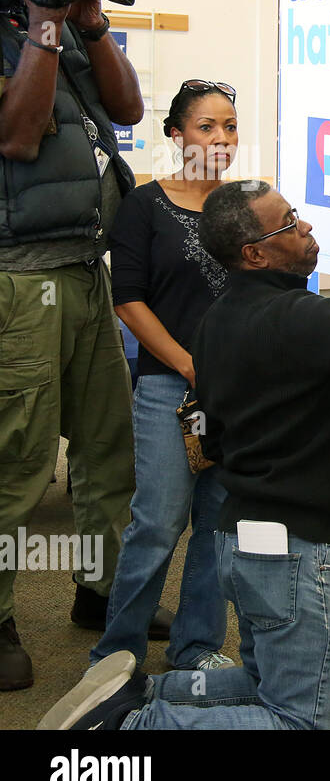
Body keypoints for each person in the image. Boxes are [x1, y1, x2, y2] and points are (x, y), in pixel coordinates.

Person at [38, 181, 330, 729]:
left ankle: (138, 690)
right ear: (255, 254)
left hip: (246, 545)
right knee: (299, 720)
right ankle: (126, 728)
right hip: (295, 553)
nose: (306, 226)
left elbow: (213, 437)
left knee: (270, 679)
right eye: (289, 223)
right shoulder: (295, 319)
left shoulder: (214, 322)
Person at [0, 0, 148, 691]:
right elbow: (18, 141)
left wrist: (88, 26)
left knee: (105, 449)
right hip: (15, 280)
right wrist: (43, 31)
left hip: (86, 271)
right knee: (17, 460)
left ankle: (102, 592)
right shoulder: (19, 34)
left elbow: (123, 108)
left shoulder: (68, 21)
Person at [89, 81, 242, 675]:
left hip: (235, 395)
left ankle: (197, 645)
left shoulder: (246, 207)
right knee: (157, 523)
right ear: (176, 136)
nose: (221, 138)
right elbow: (128, 300)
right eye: (206, 127)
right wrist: (187, 365)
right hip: (168, 390)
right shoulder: (144, 206)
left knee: (217, 523)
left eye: (229, 126)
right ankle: (117, 651)